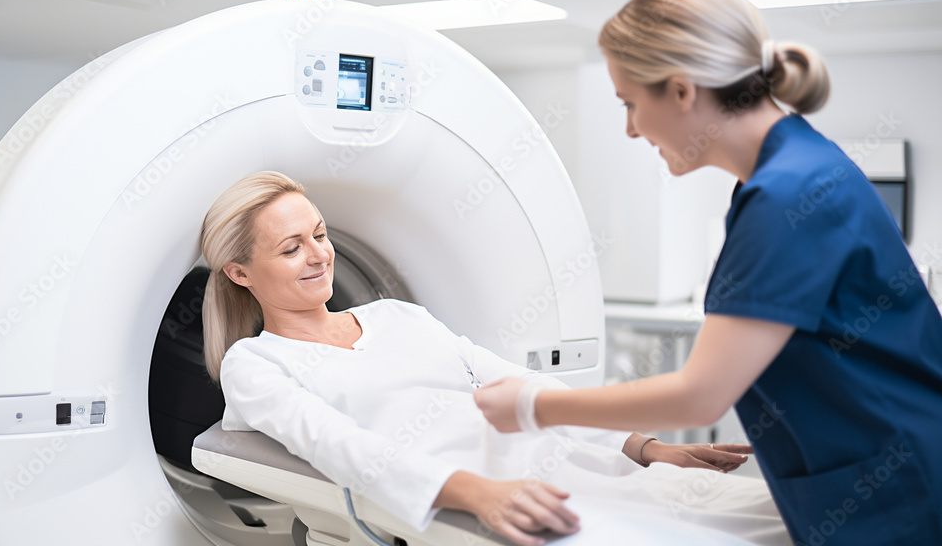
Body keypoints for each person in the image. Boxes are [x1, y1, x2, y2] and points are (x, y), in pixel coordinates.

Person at [473, 0, 942, 545]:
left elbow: (702, 394)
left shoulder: (788, 195)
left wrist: (533, 405)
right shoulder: (787, 174)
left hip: (898, 491)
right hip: (880, 472)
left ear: (680, 90)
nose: (629, 129)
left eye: (628, 103)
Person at [199, 171, 790, 546]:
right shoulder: (255, 363)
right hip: (489, 496)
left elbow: (522, 385)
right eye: (291, 247)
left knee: (783, 516)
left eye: (321, 234)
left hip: (569, 462)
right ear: (240, 272)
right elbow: (342, 448)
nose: (318, 255)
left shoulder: (398, 317)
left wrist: (643, 447)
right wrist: (475, 493)